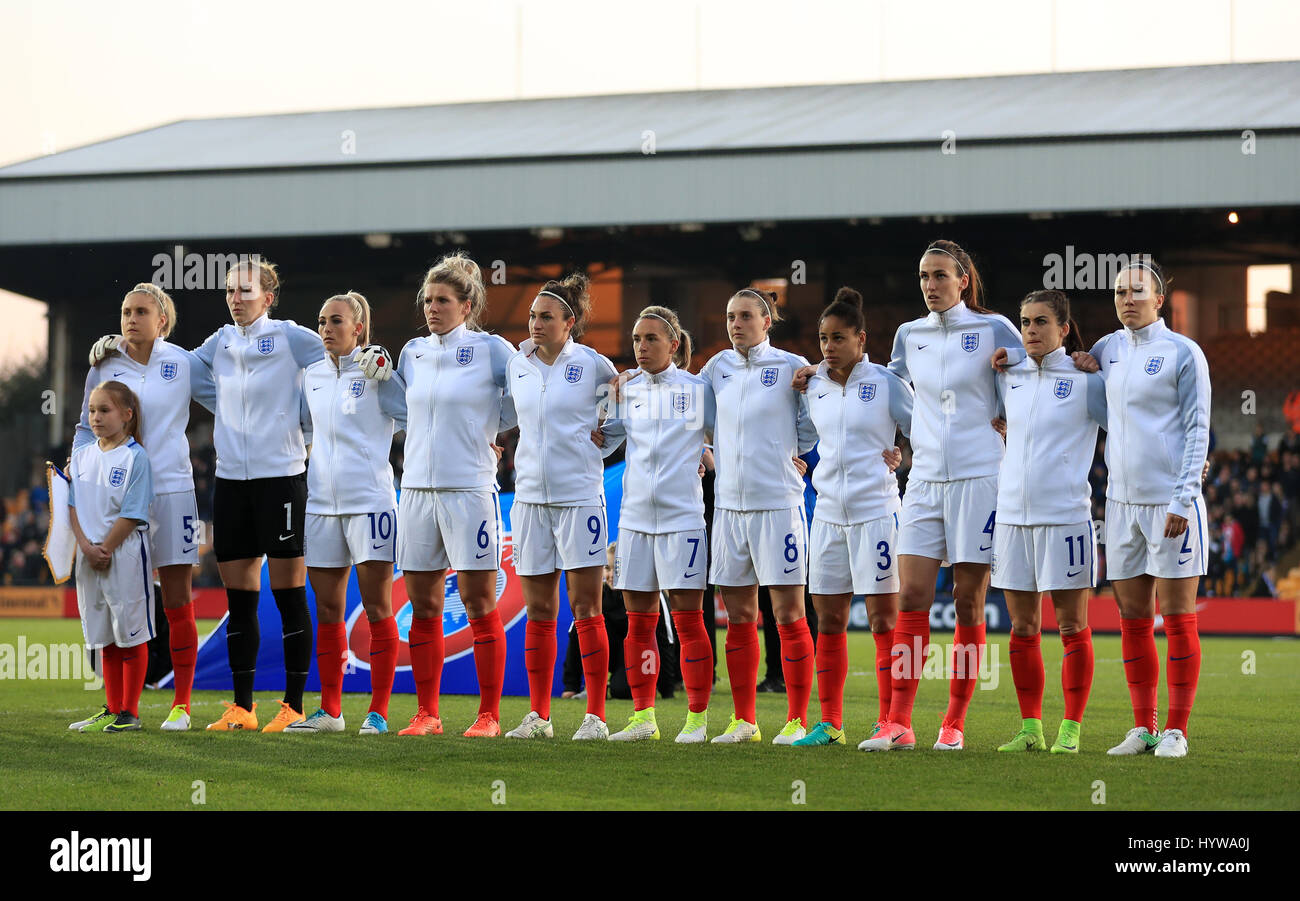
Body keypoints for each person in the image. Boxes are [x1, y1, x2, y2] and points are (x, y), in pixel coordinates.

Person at [859, 240, 1022, 752]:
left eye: (940, 275)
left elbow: (1035, 372)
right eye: (924, 276)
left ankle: (953, 722)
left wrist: (1076, 361)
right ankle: (899, 721)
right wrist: (823, 377)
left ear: (963, 280)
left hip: (980, 478)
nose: (930, 285)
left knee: (969, 601)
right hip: (924, 480)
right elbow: (886, 389)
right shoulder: (910, 335)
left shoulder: (996, 328)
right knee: (910, 598)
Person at [1072, 259, 1211, 758]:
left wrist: (1184, 496)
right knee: (1132, 617)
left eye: (1136, 291)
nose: (1126, 299)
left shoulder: (1183, 353)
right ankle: (1144, 727)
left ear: (1159, 298)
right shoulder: (1107, 350)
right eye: (1118, 292)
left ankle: (1177, 730)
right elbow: (1091, 406)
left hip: (1170, 505)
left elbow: (1198, 430)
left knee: (1177, 617)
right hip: (1121, 505)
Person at [376, 254, 516, 737]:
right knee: (424, 607)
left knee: (480, 604)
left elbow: (523, 399)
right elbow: (399, 407)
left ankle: (489, 716)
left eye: (443, 300)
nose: (432, 308)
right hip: (414, 489)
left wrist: (487, 432)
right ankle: (427, 714)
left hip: (470, 490)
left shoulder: (492, 350)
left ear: (468, 303)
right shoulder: (412, 353)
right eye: (428, 300)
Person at [77, 283, 214, 731]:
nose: (131, 318)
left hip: (173, 490)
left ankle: (182, 705)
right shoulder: (103, 363)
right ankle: (118, 707)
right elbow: (84, 428)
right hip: (114, 499)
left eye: (141, 311)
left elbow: (231, 399)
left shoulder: (183, 362)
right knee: (115, 600)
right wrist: (78, 480)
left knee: (176, 601)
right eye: (125, 311)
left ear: (163, 322)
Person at [504, 274, 625, 740]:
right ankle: (539, 716)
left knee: (586, 607)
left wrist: (605, 439)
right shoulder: (517, 364)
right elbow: (499, 412)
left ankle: (595, 716)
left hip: (579, 498)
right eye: (533, 315)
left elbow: (620, 416)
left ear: (569, 322)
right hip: (530, 498)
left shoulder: (594, 365)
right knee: (539, 611)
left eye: (546, 316)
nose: (536, 323)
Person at [793, 287, 913, 747]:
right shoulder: (812, 386)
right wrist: (795, 459)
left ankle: (892, 720)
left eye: (839, 337)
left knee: (884, 620)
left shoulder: (884, 382)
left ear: (861, 339)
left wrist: (905, 456)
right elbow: (798, 435)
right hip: (825, 515)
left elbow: (922, 425)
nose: (828, 347)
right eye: (823, 338)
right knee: (829, 621)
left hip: (876, 513)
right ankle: (831, 723)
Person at [989, 290, 1106, 753]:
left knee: (1073, 626)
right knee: (1022, 628)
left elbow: (1127, 429)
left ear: (1063, 329)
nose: (1031, 330)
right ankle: (1031, 728)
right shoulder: (1009, 375)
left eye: (1041, 322)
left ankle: (1071, 729)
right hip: (1013, 518)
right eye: (1025, 322)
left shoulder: (1086, 380)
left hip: (1066, 518)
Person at [286, 291, 407, 734]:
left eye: (336, 321)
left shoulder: (377, 371)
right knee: (329, 612)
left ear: (358, 328)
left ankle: (377, 713)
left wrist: (389, 374)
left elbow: (419, 413)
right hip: (320, 504)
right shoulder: (312, 376)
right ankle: (332, 712)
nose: (326, 329)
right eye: (321, 321)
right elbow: (299, 429)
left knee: (378, 608)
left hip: (370, 503)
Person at [701, 287, 817, 744]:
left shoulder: (791, 367)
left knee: (789, 613)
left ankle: (796, 719)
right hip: (729, 507)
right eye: (730, 316)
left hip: (778, 506)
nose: (736, 324)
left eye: (746, 316)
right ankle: (743, 720)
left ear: (767, 322)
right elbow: (699, 421)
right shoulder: (716, 369)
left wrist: (793, 452)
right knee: (740, 614)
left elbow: (812, 421)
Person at [602, 306, 716, 742]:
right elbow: (604, 437)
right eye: (636, 339)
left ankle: (697, 718)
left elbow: (729, 435)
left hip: (682, 519)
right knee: (639, 622)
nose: (642, 347)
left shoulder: (696, 389)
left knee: (688, 622)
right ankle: (643, 718)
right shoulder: (623, 389)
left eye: (651, 339)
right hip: (633, 521)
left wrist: (709, 458)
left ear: (674, 344)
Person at [66, 382, 154, 733]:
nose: (96, 417)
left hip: (125, 553)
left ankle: (129, 712)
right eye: (92, 410)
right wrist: (86, 546)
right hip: (88, 556)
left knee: (130, 633)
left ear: (127, 415)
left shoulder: (136, 457)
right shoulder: (83, 456)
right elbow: (70, 505)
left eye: (105, 410)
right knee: (103, 635)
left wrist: (106, 548)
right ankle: (112, 707)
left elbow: (132, 512)